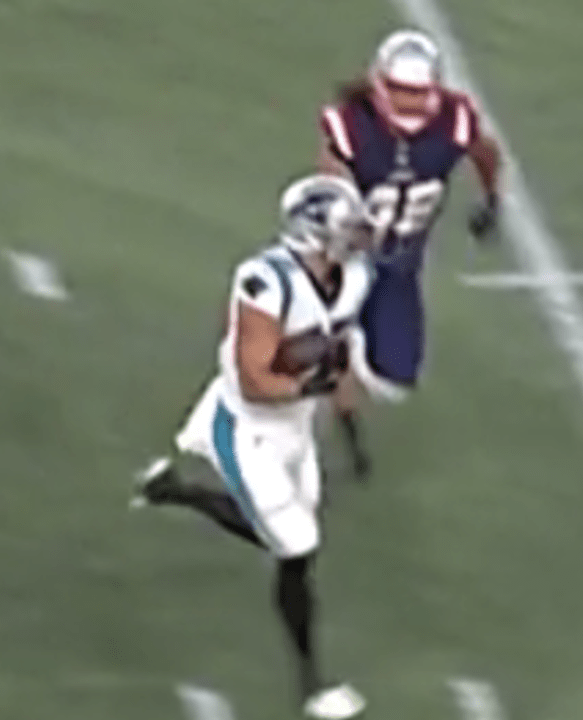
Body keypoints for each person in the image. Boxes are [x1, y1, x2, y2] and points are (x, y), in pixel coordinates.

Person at [131, 173, 375, 720]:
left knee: (285, 533)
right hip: (245, 426)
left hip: (295, 425)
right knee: (296, 548)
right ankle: (312, 688)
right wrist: (314, 383)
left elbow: (339, 353)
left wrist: (349, 426)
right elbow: (253, 380)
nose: (356, 235)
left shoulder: (352, 278)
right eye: (344, 226)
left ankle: (175, 491)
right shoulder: (266, 282)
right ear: (313, 232)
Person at [316, 28, 503, 478]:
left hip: (402, 264)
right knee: (322, 341)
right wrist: (335, 245)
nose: (409, 104)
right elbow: (328, 184)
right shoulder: (352, 126)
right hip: (351, 255)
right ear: (380, 85)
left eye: (418, 93)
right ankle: (346, 423)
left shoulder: (454, 121)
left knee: (396, 378)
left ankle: (343, 361)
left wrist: (491, 198)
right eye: (399, 91)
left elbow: (486, 151)